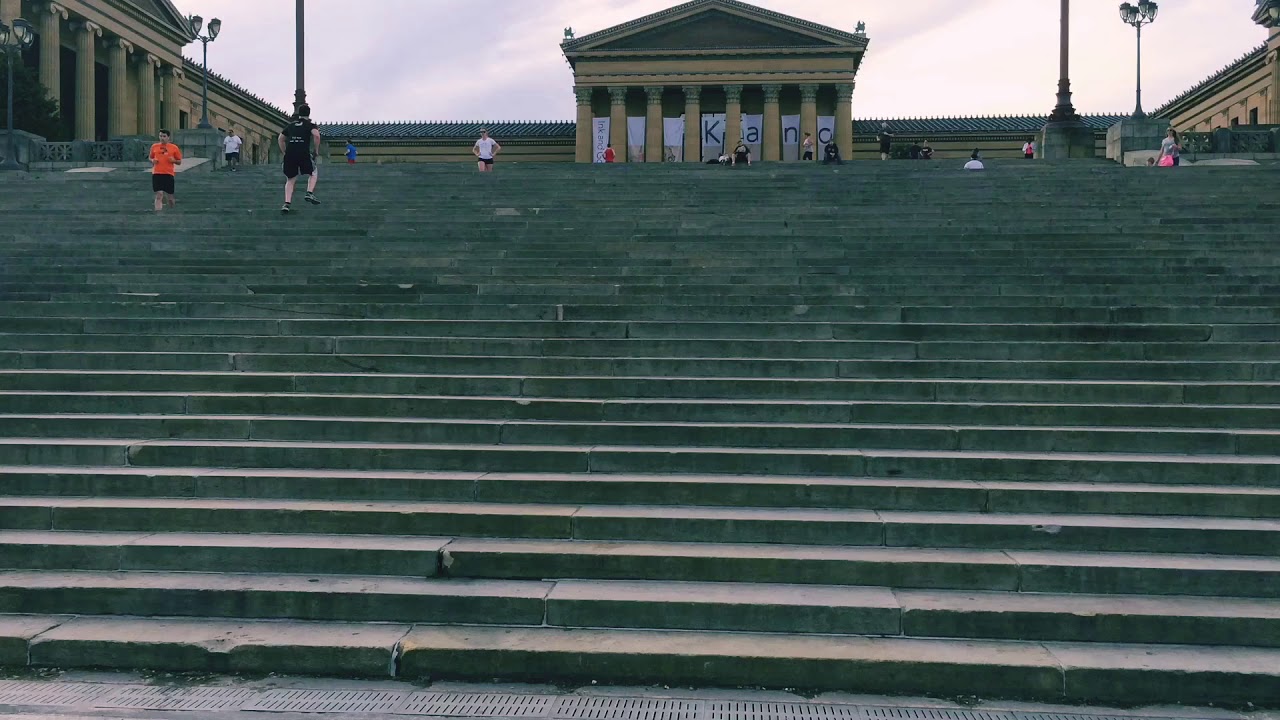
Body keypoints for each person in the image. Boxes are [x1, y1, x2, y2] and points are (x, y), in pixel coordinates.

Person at [278, 104, 322, 214]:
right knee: (313, 172)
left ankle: (287, 203)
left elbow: (281, 139)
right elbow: (316, 136)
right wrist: (316, 150)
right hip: (303, 152)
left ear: (299, 113)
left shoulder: (291, 125)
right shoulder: (310, 125)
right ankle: (309, 192)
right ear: (309, 113)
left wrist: (285, 152)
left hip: (290, 153)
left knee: (290, 178)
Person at [149, 129, 182, 212]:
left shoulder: (174, 148)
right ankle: (158, 213)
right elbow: (150, 157)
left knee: (170, 197)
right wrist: (152, 161)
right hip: (157, 173)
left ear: (168, 137)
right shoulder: (154, 146)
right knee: (159, 194)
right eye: (160, 136)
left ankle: (172, 210)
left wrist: (173, 160)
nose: (162, 138)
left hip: (168, 174)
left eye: (164, 136)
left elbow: (179, 162)